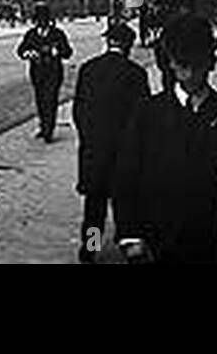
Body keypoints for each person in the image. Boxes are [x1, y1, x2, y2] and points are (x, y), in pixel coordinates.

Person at [113, 13, 217, 264]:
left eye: (198, 64)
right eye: (183, 65)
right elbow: (126, 177)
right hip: (151, 246)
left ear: (212, 63)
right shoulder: (146, 113)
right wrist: (129, 236)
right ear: (170, 63)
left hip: (206, 246)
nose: (191, 74)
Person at [72, 20, 150, 262]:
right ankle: (130, 248)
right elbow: (143, 116)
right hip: (125, 154)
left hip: (95, 151)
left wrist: (89, 138)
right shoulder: (136, 74)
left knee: (94, 207)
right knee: (126, 205)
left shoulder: (88, 69)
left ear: (107, 42)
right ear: (129, 45)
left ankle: (90, 249)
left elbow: (78, 110)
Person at [17, 1, 72, 142]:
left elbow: (68, 52)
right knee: (40, 100)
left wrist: (58, 51)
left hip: (53, 72)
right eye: (39, 20)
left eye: (44, 20)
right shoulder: (31, 35)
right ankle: (43, 125)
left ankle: (49, 129)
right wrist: (29, 53)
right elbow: (20, 50)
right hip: (37, 72)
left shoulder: (57, 34)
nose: (41, 23)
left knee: (51, 100)